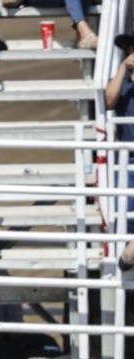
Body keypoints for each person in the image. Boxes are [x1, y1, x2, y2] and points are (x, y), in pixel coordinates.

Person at [106, 34, 134, 270]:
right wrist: (124, 68)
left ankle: (129, 254)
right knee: (122, 207)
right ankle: (129, 253)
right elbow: (109, 100)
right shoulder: (121, 79)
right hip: (128, 157)